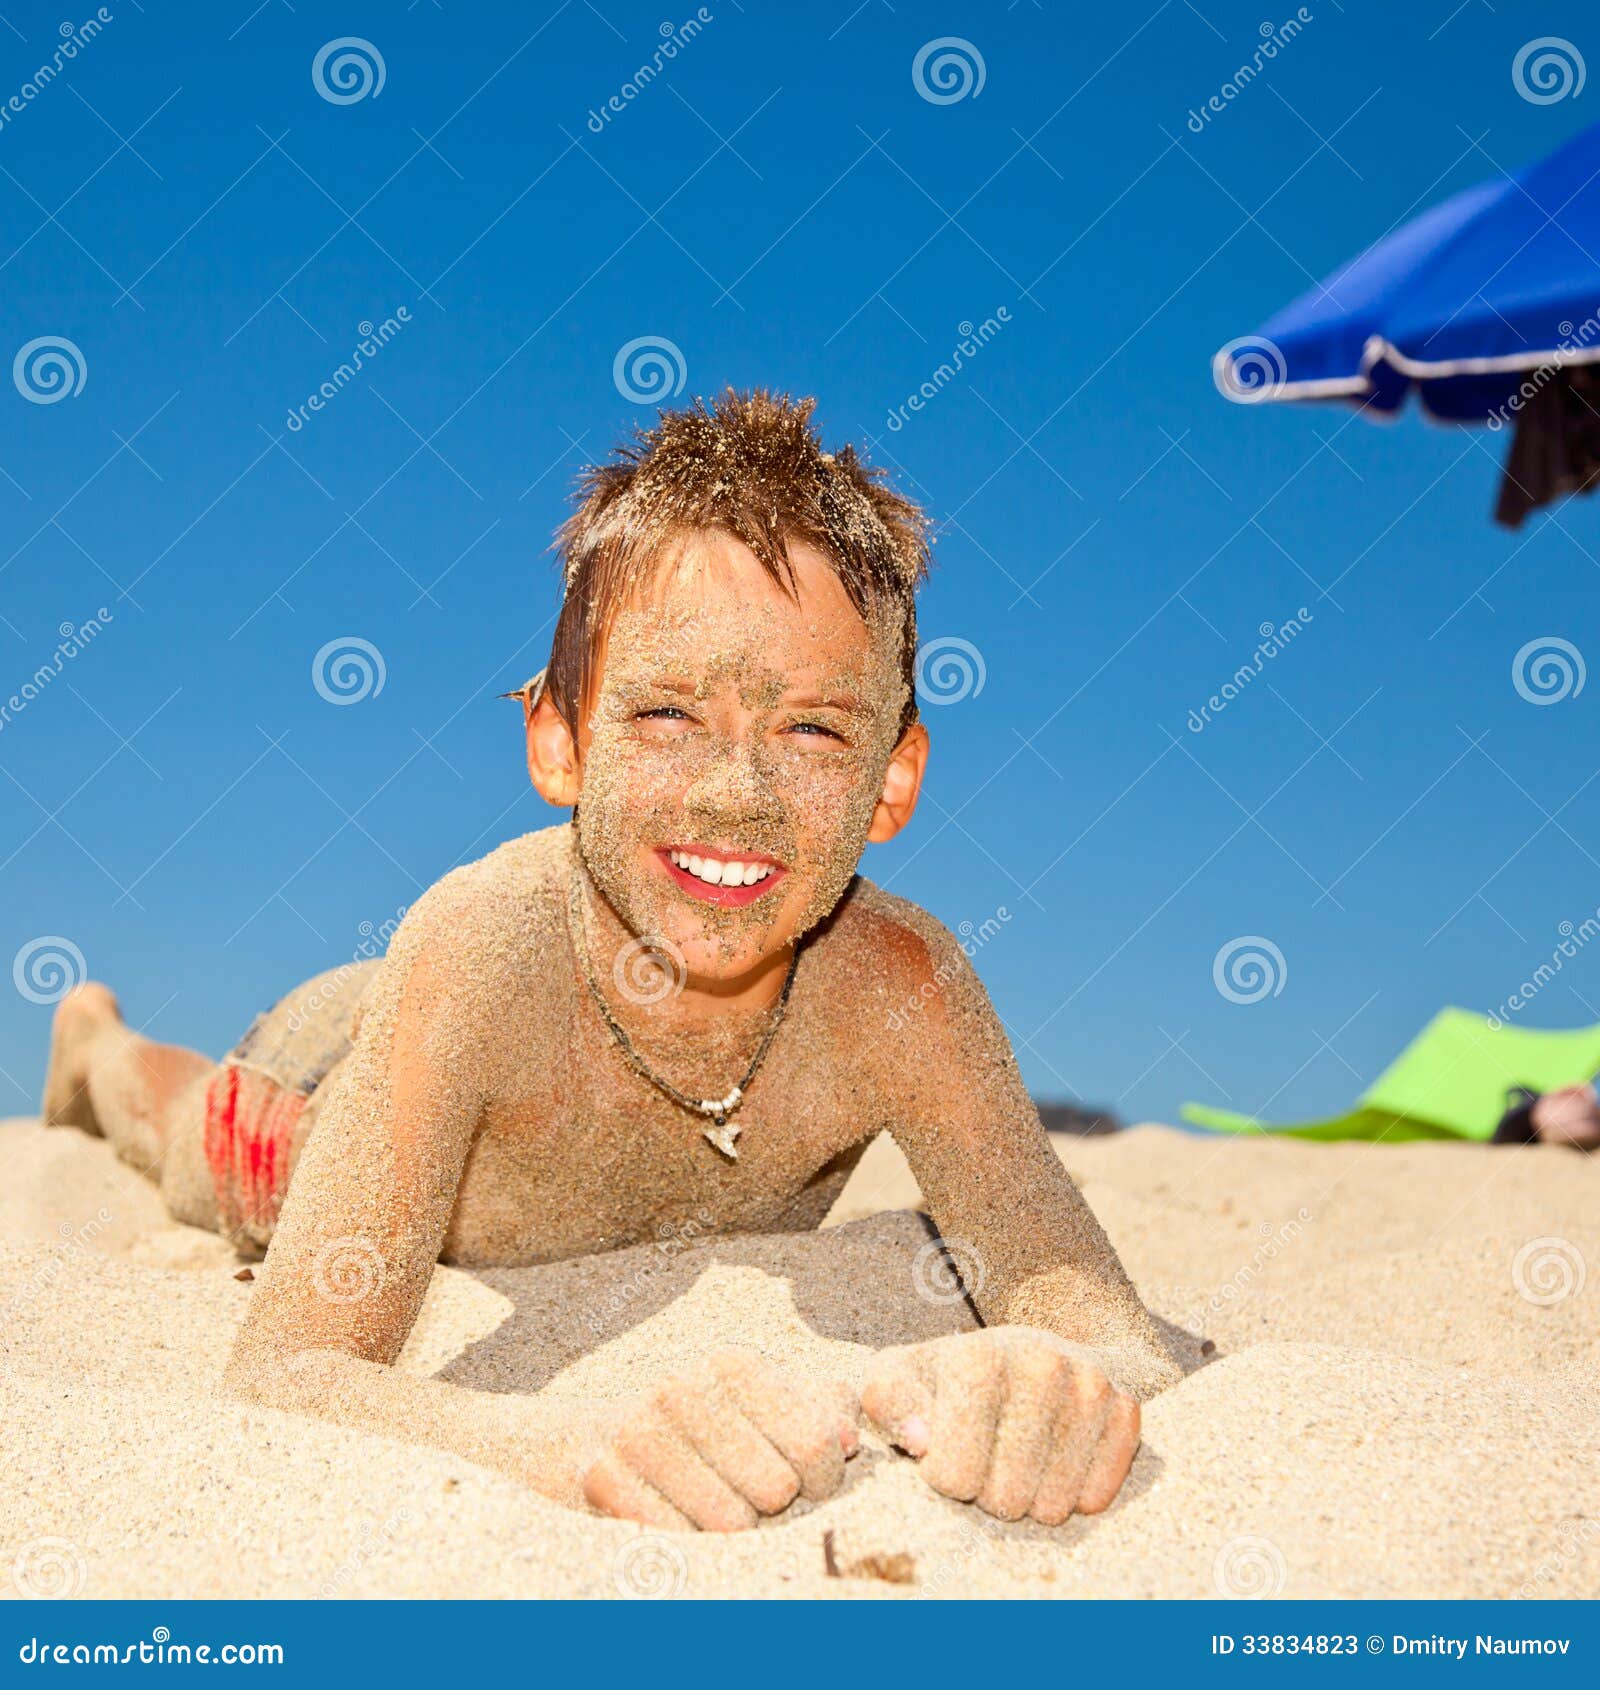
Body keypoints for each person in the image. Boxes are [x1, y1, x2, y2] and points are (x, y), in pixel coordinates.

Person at [40, 389, 1180, 1534]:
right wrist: (558, 1440)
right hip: (337, 1063)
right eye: (667, 715)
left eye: (813, 730)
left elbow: (1097, 1319)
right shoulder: (478, 950)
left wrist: (1047, 1370)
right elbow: (285, 1375)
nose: (735, 795)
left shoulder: (902, 989)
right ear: (560, 741)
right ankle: (98, 1047)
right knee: (208, 1153)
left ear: (894, 775)